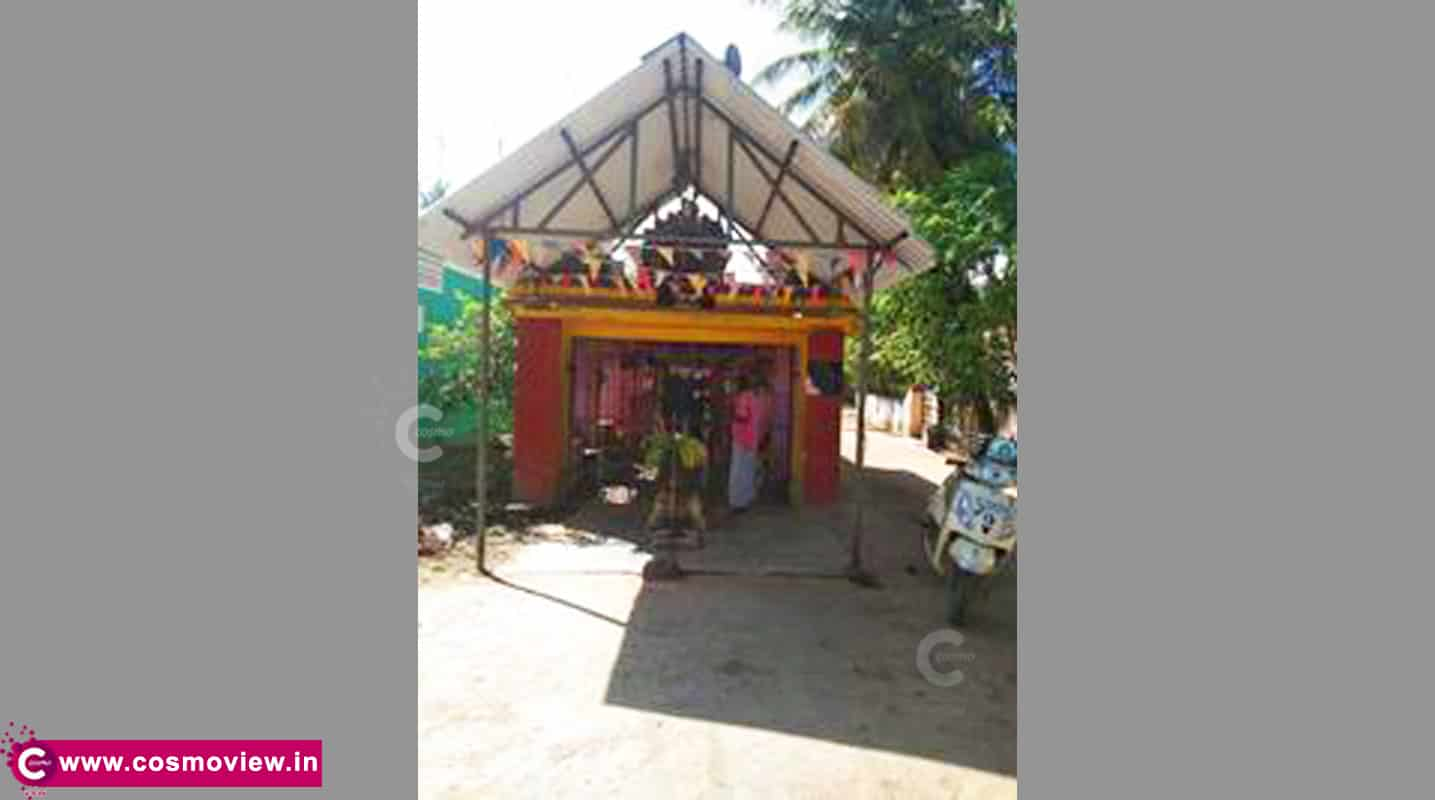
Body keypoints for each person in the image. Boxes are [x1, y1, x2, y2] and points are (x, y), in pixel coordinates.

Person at [727, 373, 764, 512]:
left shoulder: (743, 397)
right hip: (752, 437)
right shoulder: (755, 397)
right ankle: (746, 499)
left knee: (738, 471)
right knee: (748, 469)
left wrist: (731, 412)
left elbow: (741, 416)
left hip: (741, 438)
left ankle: (736, 501)